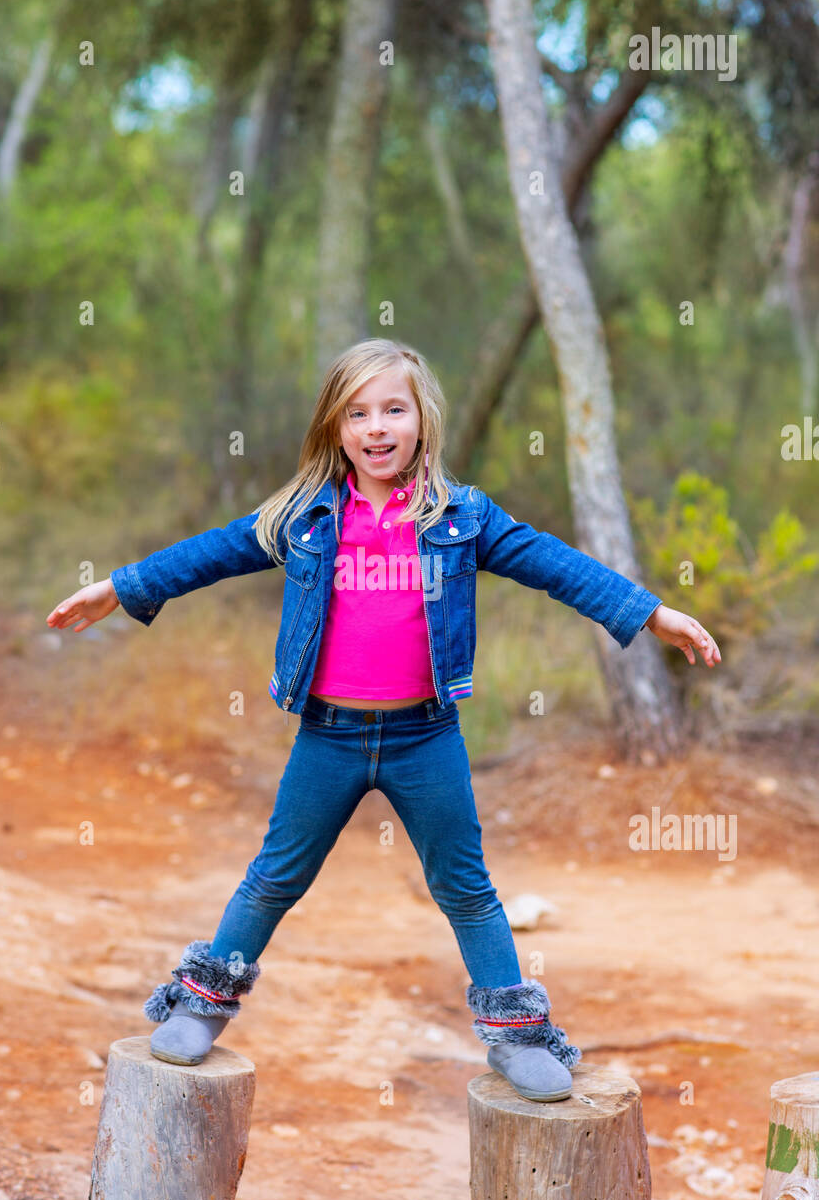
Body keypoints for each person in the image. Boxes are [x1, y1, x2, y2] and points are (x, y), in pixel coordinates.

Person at [46, 338, 721, 1103]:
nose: (376, 427)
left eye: (393, 409)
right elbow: (211, 553)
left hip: (423, 736)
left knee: (466, 888)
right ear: (336, 428)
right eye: (358, 413)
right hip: (329, 737)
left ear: (421, 420)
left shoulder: (463, 517)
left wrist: (652, 613)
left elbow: (556, 564)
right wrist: (120, 588)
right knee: (274, 877)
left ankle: (518, 1037)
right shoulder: (305, 518)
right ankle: (200, 1006)